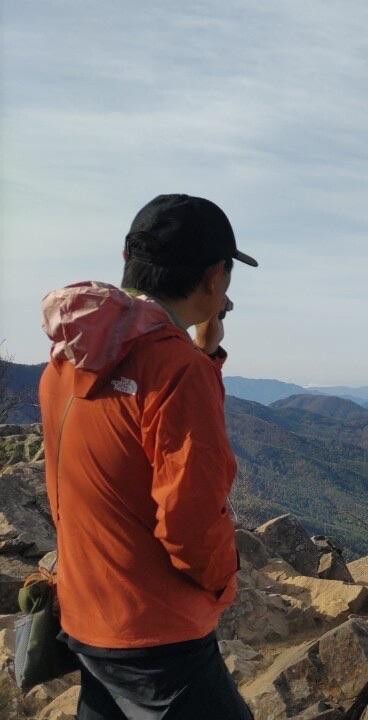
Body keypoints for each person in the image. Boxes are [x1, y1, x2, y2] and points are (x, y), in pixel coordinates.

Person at [38, 194, 258, 719]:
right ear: (213, 279)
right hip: (158, 637)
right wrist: (225, 580)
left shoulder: (64, 363)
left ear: (127, 260)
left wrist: (201, 352)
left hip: (87, 616)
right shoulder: (179, 372)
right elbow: (191, 521)